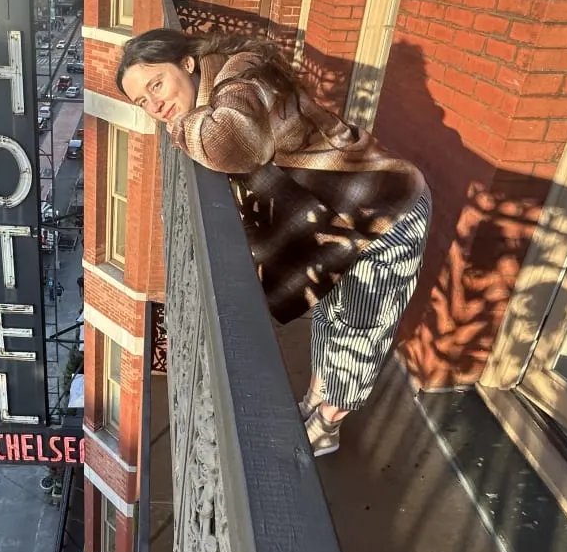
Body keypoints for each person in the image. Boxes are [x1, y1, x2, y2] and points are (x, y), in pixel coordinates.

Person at [117, 29, 430, 458]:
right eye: (142, 101)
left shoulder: (241, 79)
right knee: (330, 315)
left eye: (156, 85)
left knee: (360, 329)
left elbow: (231, 146)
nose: (155, 106)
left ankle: (327, 425)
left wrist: (178, 126)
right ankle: (315, 400)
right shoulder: (219, 88)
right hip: (338, 217)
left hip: (385, 209)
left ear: (187, 63)